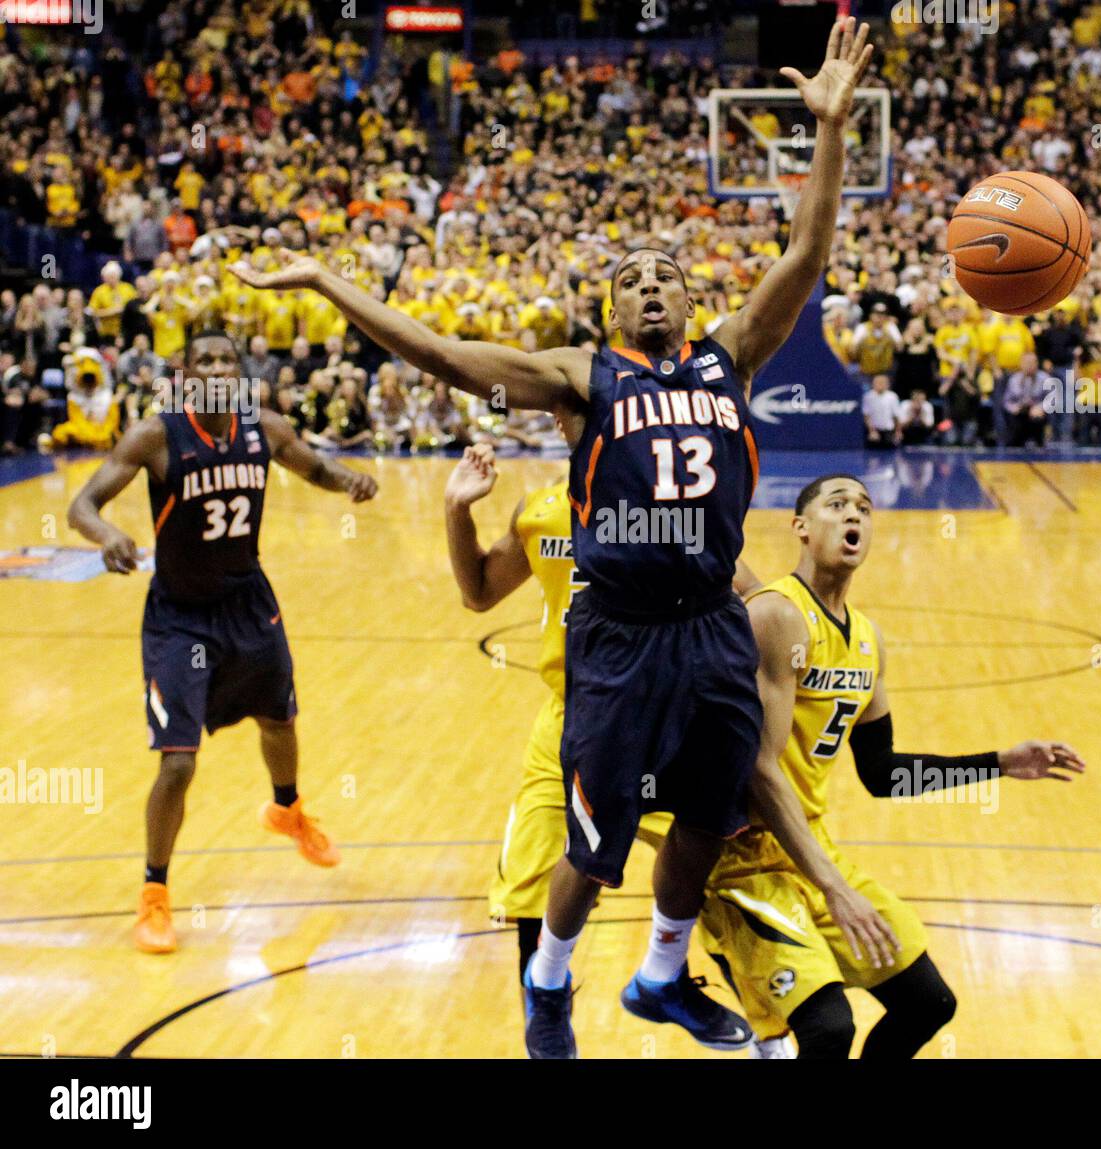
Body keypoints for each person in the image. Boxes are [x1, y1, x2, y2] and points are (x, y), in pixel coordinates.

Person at [232, 17, 881, 1059]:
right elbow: (441, 353)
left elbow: (807, 250)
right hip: (618, 639)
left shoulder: (730, 358)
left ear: (691, 293)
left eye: (668, 270)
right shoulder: (582, 379)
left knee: (710, 820)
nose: (654, 282)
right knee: (598, 840)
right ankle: (548, 977)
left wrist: (831, 132)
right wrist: (325, 283)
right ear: (611, 306)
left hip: (710, 627)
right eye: (633, 276)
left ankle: (663, 976)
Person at [702, 474, 1086, 1058]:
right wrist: (834, 887)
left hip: (808, 851)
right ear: (801, 528)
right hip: (743, 865)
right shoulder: (777, 614)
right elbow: (758, 771)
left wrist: (999, 763)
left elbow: (882, 773)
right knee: (829, 1029)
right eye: (837, 505)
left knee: (930, 1003)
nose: (854, 515)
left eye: (864, 507)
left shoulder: (867, 642)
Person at [66, 332, 378, 953]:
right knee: (179, 761)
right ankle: (154, 893)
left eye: (225, 359)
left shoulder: (263, 427)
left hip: (248, 604)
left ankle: (286, 808)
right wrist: (106, 536)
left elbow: (313, 465)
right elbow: (83, 503)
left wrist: (348, 481)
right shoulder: (157, 435)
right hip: (180, 618)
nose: (214, 368)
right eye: (203, 359)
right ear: (183, 372)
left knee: (280, 719)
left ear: (239, 371)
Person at [442, 443, 758, 1015]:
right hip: (572, 717)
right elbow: (479, 592)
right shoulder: (539, 511)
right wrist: (456, 511)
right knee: (535, 883)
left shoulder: (670, 515)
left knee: (723, 877)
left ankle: (749, 1021)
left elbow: (750, 592)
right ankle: (548, 1024)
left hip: (666, 717)